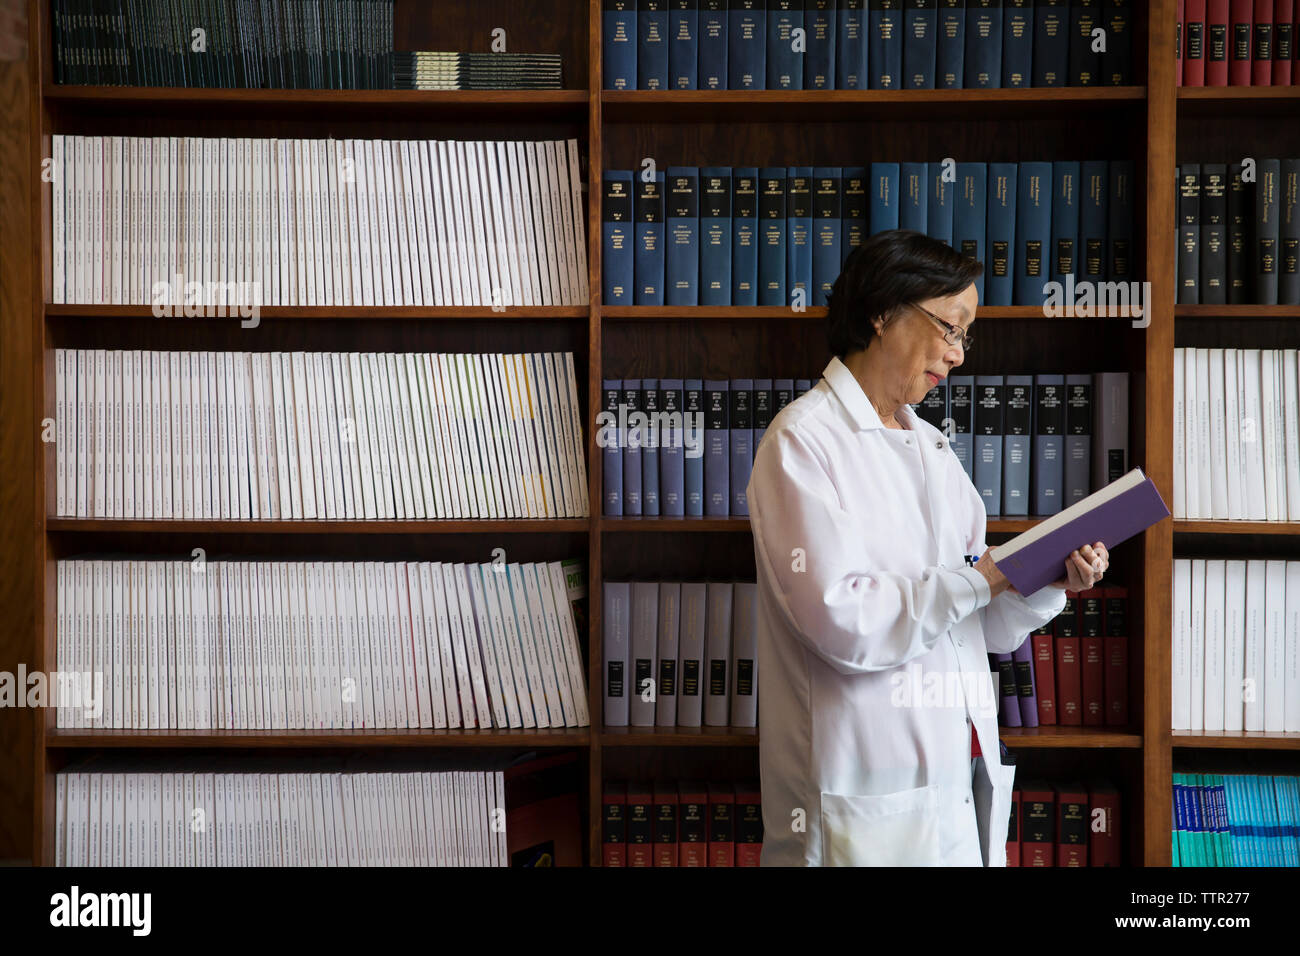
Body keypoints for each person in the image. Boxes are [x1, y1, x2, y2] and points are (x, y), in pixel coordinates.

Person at [746, 230, 1109, 866]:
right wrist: (984, 578)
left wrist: (1048, 579)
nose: (959, 354)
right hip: (857, 793)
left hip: (949, 785)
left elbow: (981, 627)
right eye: (950, 327)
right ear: (882, 312)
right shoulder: (803, 442)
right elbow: (843, 619)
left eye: (966, 336)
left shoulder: (933, 450)